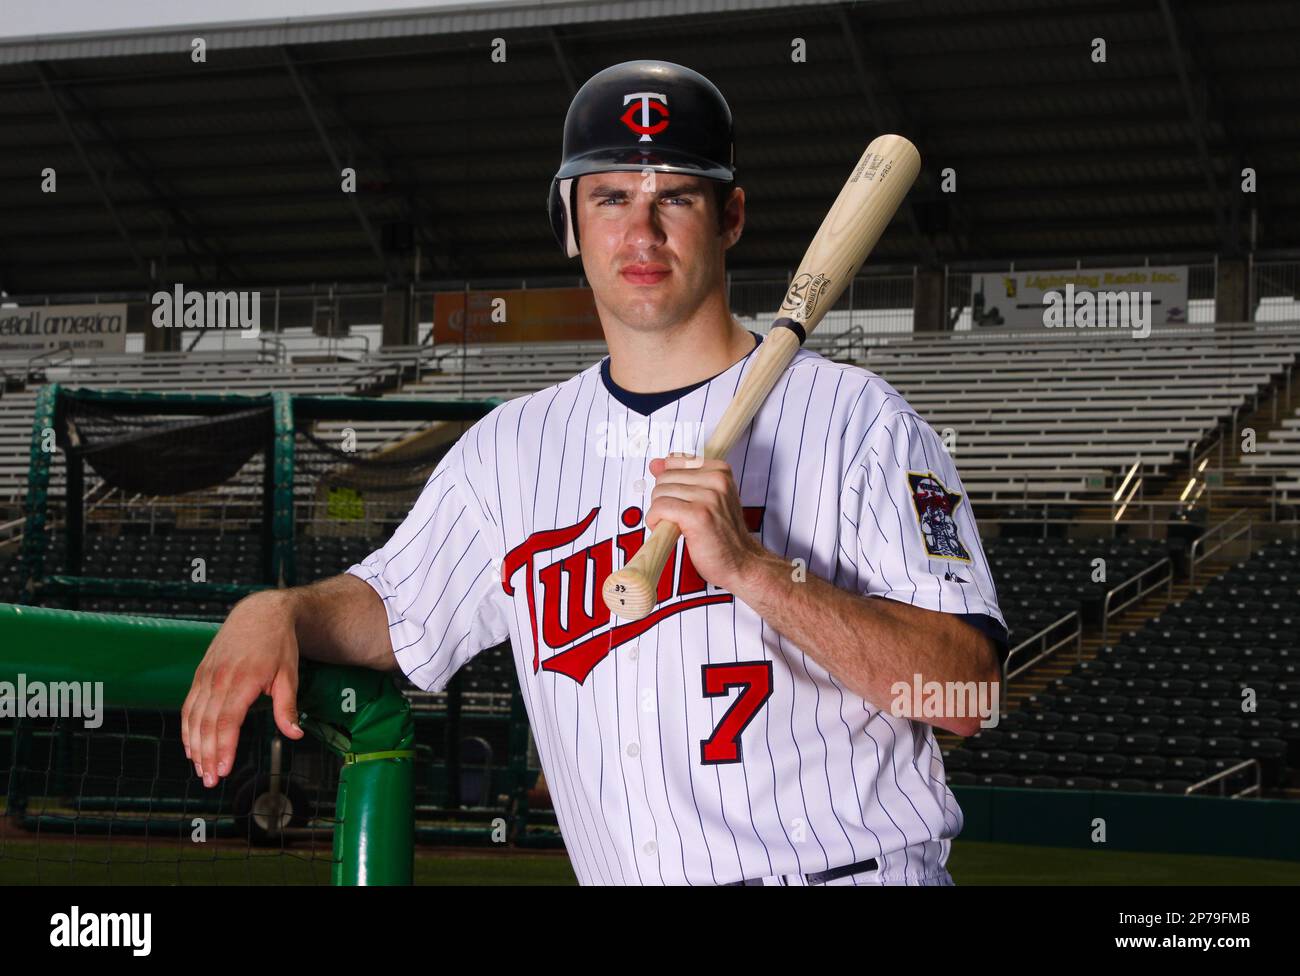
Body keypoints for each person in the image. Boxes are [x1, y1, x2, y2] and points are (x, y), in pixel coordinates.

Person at [183, 59, 1008, 886]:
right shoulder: (510, 449)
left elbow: (966, 694)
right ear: (570, 224)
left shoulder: (857, 419)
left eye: (675, 198)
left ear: (730, 218)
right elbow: (395, 613)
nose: (641, 234)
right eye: (610, 198)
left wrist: (758, 574)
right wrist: (280, 609)